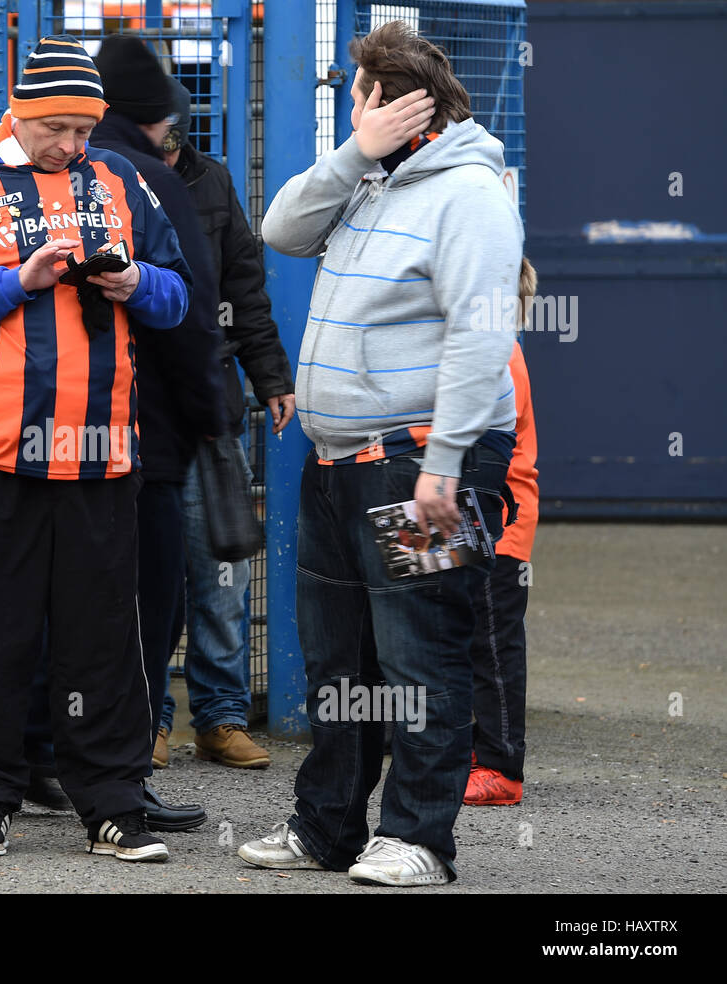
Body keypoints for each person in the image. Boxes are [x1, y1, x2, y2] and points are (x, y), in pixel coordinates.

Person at [237, 20, 522, 886]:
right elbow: (281, 229)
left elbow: (481, 339)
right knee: (340, 661)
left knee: (419, 652)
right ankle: (327, 828)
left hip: (421, 463)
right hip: (339, 463)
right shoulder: (372, 180)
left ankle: (420, 841)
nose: (345, 113)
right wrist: (354, 154)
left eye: (357, 99)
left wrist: (444, 468)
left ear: (395, 107)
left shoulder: (468, 194)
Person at [0, 35, 194, 862]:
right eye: (58, 128)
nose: (73, 145)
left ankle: (111, 804)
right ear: (19, 115)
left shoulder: (119, 178)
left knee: (103, 637)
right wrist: (17, 281)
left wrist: (136, 282)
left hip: (103, 452)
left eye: (84, 128)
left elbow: (178, 296)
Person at [85, 36, 227, 832]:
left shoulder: (49, 177)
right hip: (152, 439)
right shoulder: (156, 183)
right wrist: (210, 417)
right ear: (159, 113)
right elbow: (192, 318)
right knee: (148, 609)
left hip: (61, 437)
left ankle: (44, 754)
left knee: (67, 604)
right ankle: (124, 778)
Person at [157, 77, 296, 770]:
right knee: (143, 576)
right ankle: (147, 721)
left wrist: (270, 378)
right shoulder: (105, 179)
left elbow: (245, 287)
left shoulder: (210, 184)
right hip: (141, 408)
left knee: (223, 573)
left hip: (211, 410)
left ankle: (219, 717)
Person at [466, 262, 540, 807]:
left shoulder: (500, 358)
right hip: (478, 520)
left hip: (501, 528)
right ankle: (479, 750)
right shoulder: (492, 350)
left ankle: (501, 767)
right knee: (470, 641)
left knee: (494, 647)